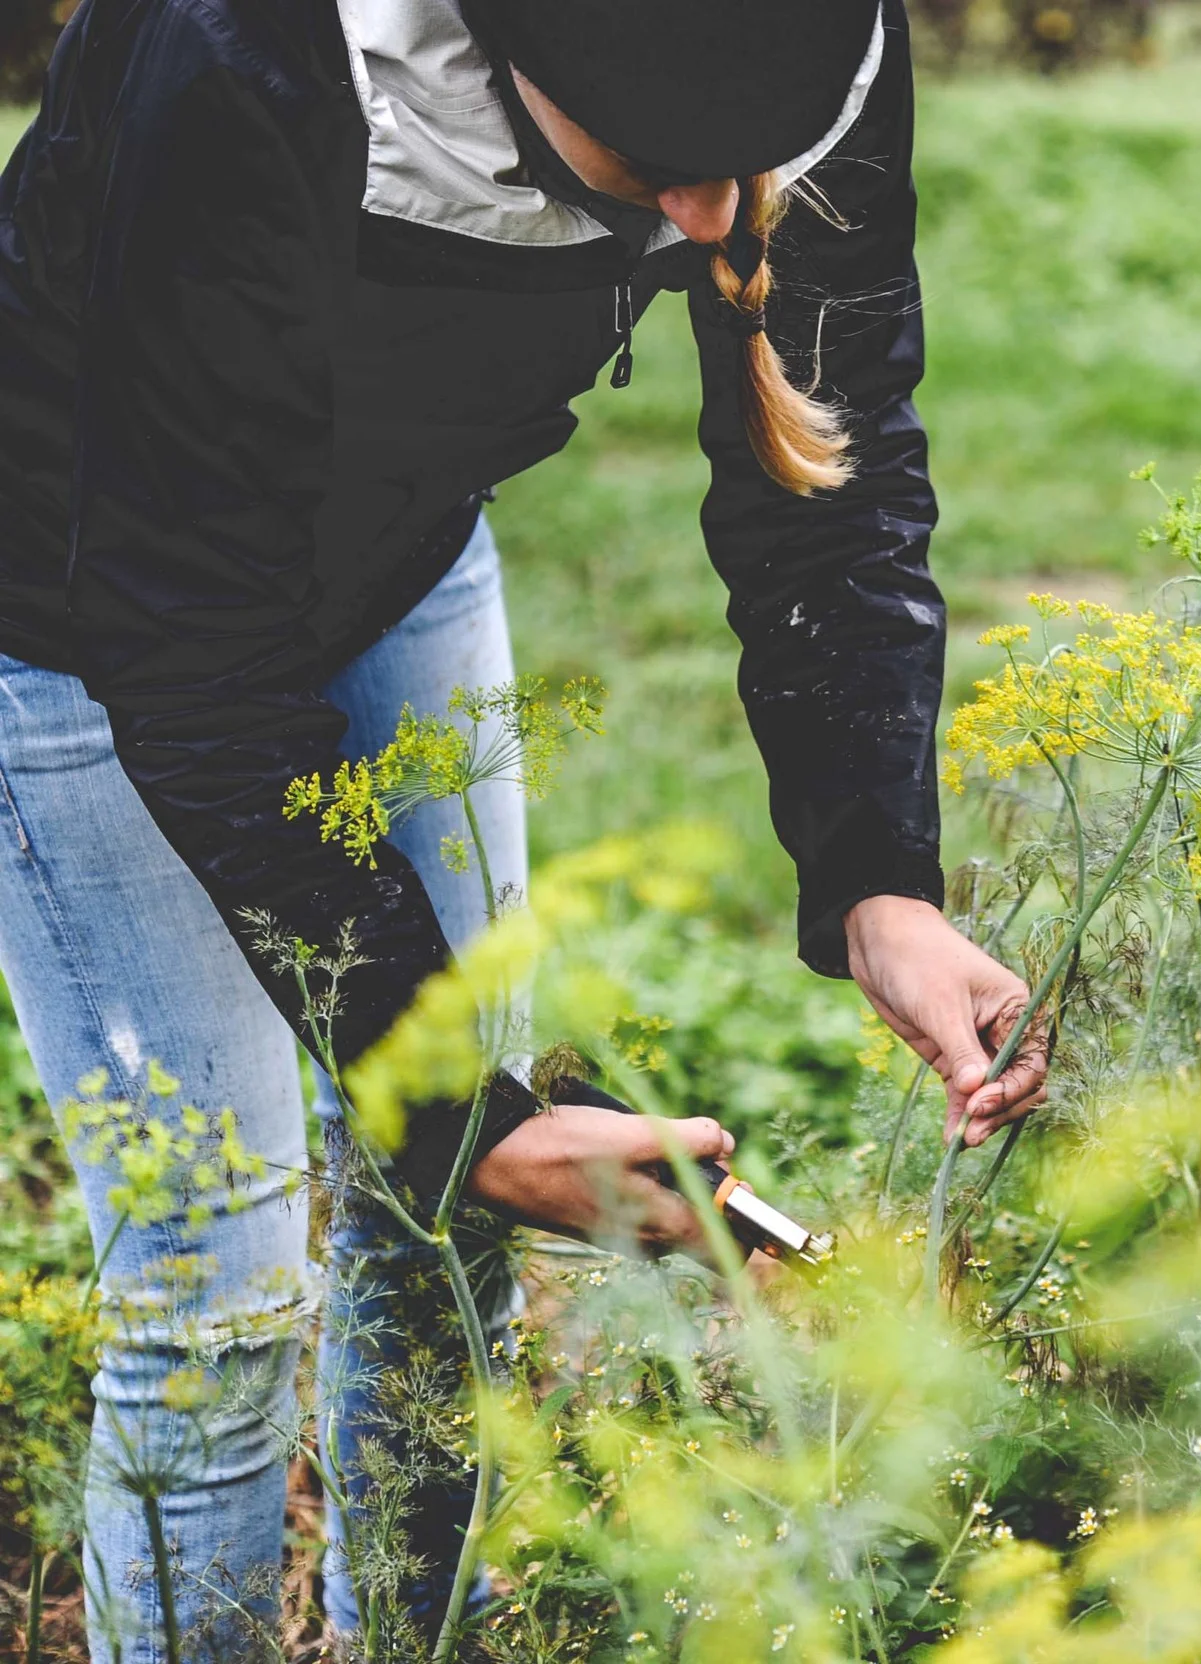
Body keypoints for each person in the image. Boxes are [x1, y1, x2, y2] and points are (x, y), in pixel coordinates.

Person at [0, 0, 1044, 1653]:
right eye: (652, 171)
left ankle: (411, 1638)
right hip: (76, 614)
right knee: (216, 1290)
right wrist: (459, 1120)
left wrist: (877, 882)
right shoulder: (230, 60)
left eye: (736, 170)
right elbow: (191, 660)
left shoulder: (788, 43)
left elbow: (831, 471)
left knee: (444, 1231)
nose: (708, 223)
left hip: (399, 565)